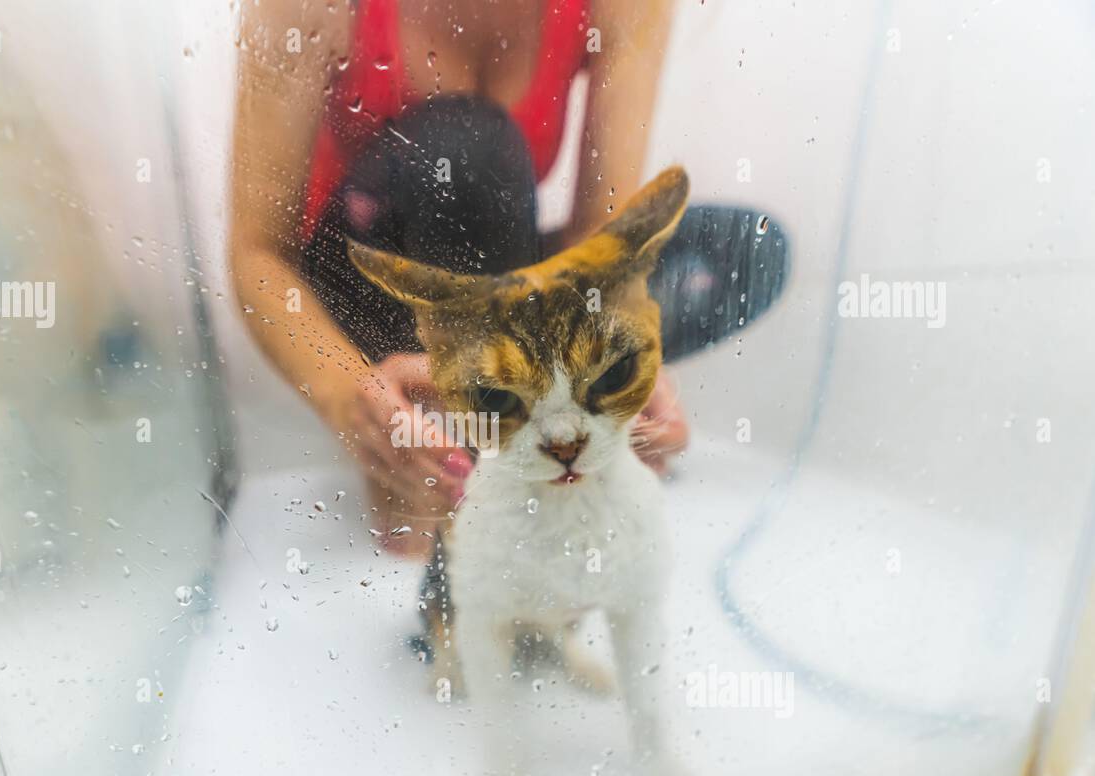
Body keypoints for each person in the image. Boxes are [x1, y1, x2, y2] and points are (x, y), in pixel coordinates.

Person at [229, 0, 787, 557]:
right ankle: (452, 453)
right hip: (363, 295)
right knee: (471, 145)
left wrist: (613, 353)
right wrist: (355, 402)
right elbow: (259, 254)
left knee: (744, 251)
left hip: (493, 265)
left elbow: (600, 234)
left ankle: (506, 413)